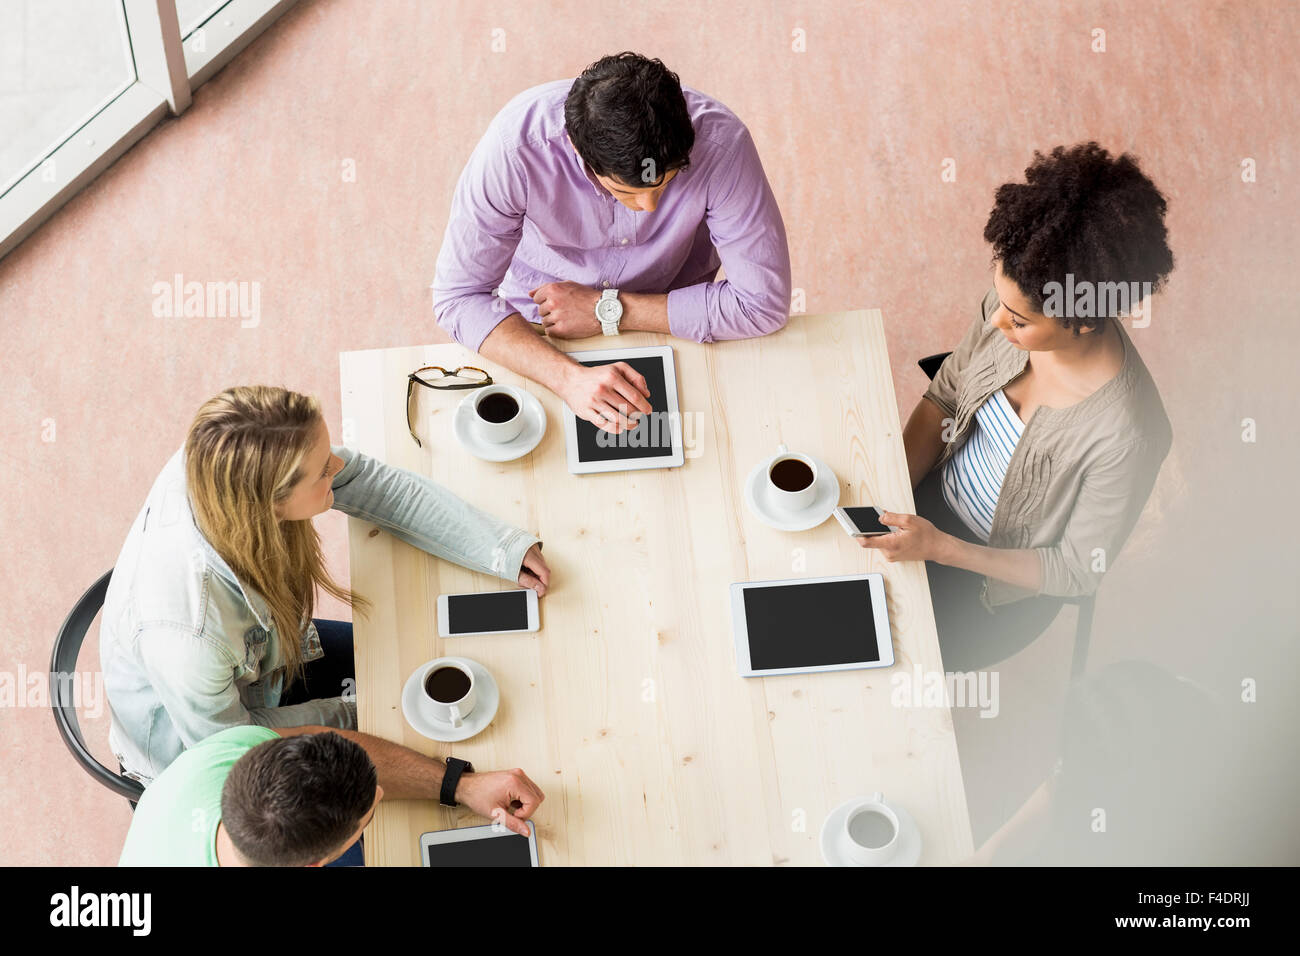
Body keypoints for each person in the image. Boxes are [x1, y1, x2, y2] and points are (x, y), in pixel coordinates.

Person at [101, 385, 551, 785]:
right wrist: (359, 712)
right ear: (269, 501)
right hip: (209, 759)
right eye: (322, 470)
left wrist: (501, 549)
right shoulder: (189, 637)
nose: (338, 463)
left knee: (432, 668)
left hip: (262, 664)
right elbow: (237, 753)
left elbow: (371, 482)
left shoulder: (220, 461)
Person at [861, 143, 1174, 671]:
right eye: (997, 302)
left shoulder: (1127, 432)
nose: (996, 325)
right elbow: (945, 393)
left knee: (876, 658)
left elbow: (1077, 569)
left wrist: (939, 549)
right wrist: (892, 495)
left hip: (992, 585)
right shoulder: (1015, 301)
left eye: (1019, 322)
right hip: (928, 509)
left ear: (1083, 319)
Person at [431, 52, 792, 435]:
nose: (649, 206)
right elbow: (459, 298)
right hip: (540, 326)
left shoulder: (723, 145)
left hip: (677, 320)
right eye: (626, 191)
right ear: (578, 151)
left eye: (667, 183)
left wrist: (610, 310)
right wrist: (569, 379)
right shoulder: (513, 149)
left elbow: (761, 304)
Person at [118, 724, 544, 866]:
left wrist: (459, 785)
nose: (379, 793)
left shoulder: (218, 757)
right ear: (319, 862)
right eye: (368, 814)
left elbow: (333, 740)